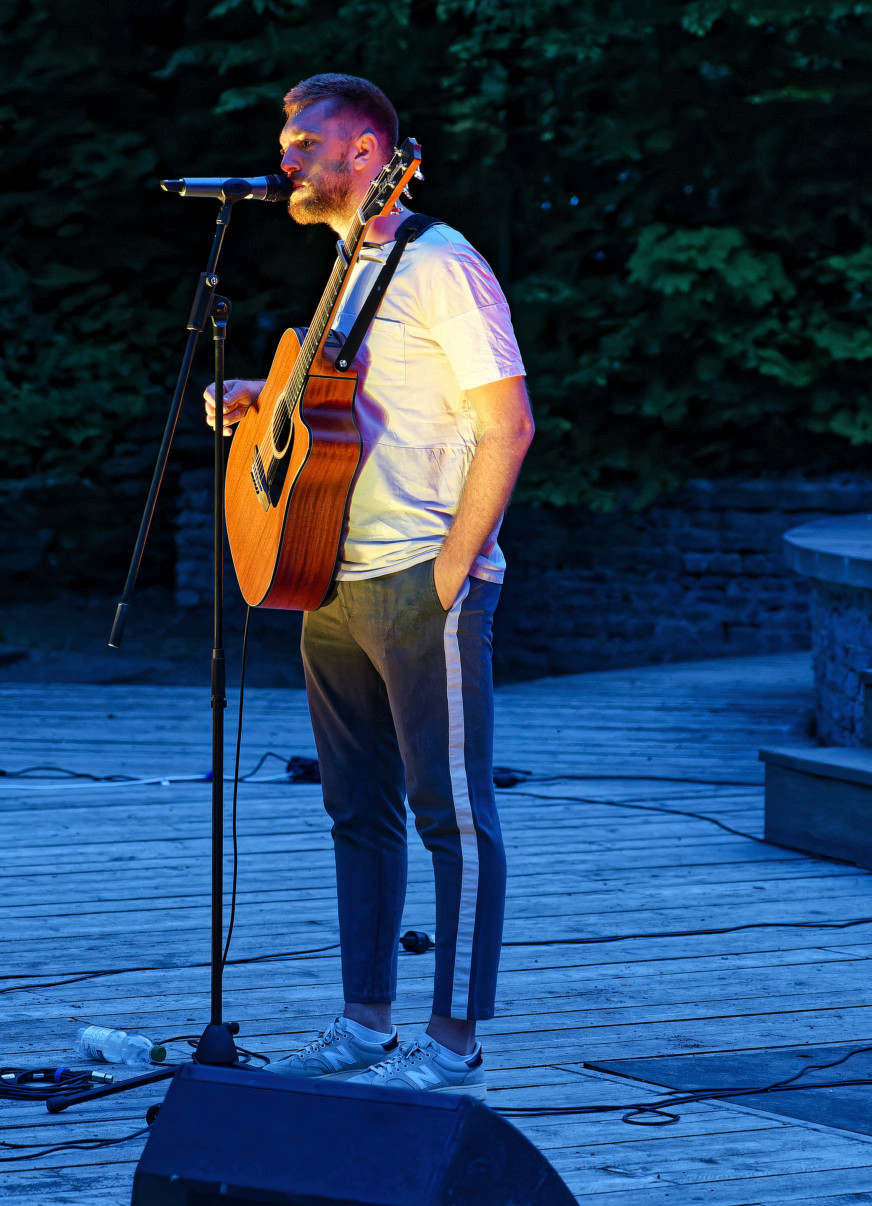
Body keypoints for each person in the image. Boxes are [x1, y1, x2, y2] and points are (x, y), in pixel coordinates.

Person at [205, 73, 533, 1100]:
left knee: (454, 815)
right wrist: (267, 401)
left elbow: (507, 424)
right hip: (327, 574)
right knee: (358, 812)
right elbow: (351, 409)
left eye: (303, 140)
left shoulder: (443, 265)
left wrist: (452, 567)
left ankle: (453, 1046)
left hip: (416, 579)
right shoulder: (348, 265)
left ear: (365, 154)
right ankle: (364, 1026)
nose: (286, 156)